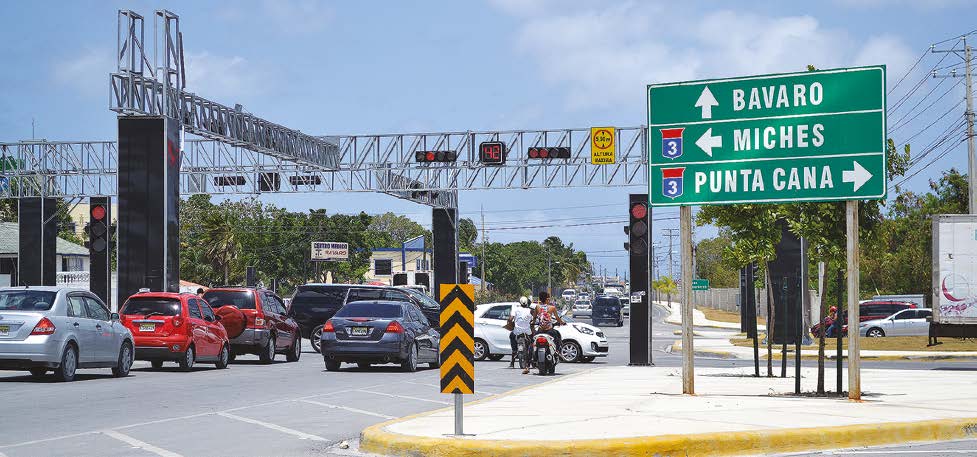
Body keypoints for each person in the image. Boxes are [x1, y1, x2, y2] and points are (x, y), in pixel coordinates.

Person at [528, 291, 564, 374]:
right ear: (547, 299)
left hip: (540, 330)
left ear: (540, 299)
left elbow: (533, 319)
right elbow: (558, 319)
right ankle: (558, 352)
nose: (549, 300)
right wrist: (562, 323)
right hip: (549, 331)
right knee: (558, 336)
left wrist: (532, 326)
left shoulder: (537, 307)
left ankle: (528, 362)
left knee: (532, 343)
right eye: (549, 298)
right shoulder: (552, 308)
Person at [507, 296, 535, 369]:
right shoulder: (530, 310)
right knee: (532, 341)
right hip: (527, 331)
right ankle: (532, 359)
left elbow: (510, 319)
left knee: (512, 337)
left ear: (520, 303)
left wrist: (510, 323)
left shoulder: (515, 309)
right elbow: (534, 319)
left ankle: (512, 361)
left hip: (517, 331)